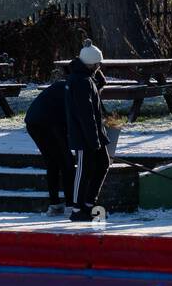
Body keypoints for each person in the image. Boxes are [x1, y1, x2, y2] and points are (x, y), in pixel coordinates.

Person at [65, 39, 111, 222]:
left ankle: (89, 202)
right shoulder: (80, 81)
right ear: (91, 64)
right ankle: (77, 207)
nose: (100, 66)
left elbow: (95, 93)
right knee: (83, 169)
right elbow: (86, 115)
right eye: (98, 64)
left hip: (94, 134)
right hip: (84, 135)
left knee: (102, 164)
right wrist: (93, 140)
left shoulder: (86, 78)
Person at [23, 75, 75, 216]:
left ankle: (55, 204)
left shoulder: (63, 85)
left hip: (33, 121)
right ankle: (70, 205)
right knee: (67, 163)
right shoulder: (77, 89)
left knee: (52, 162)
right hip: (50, 123)